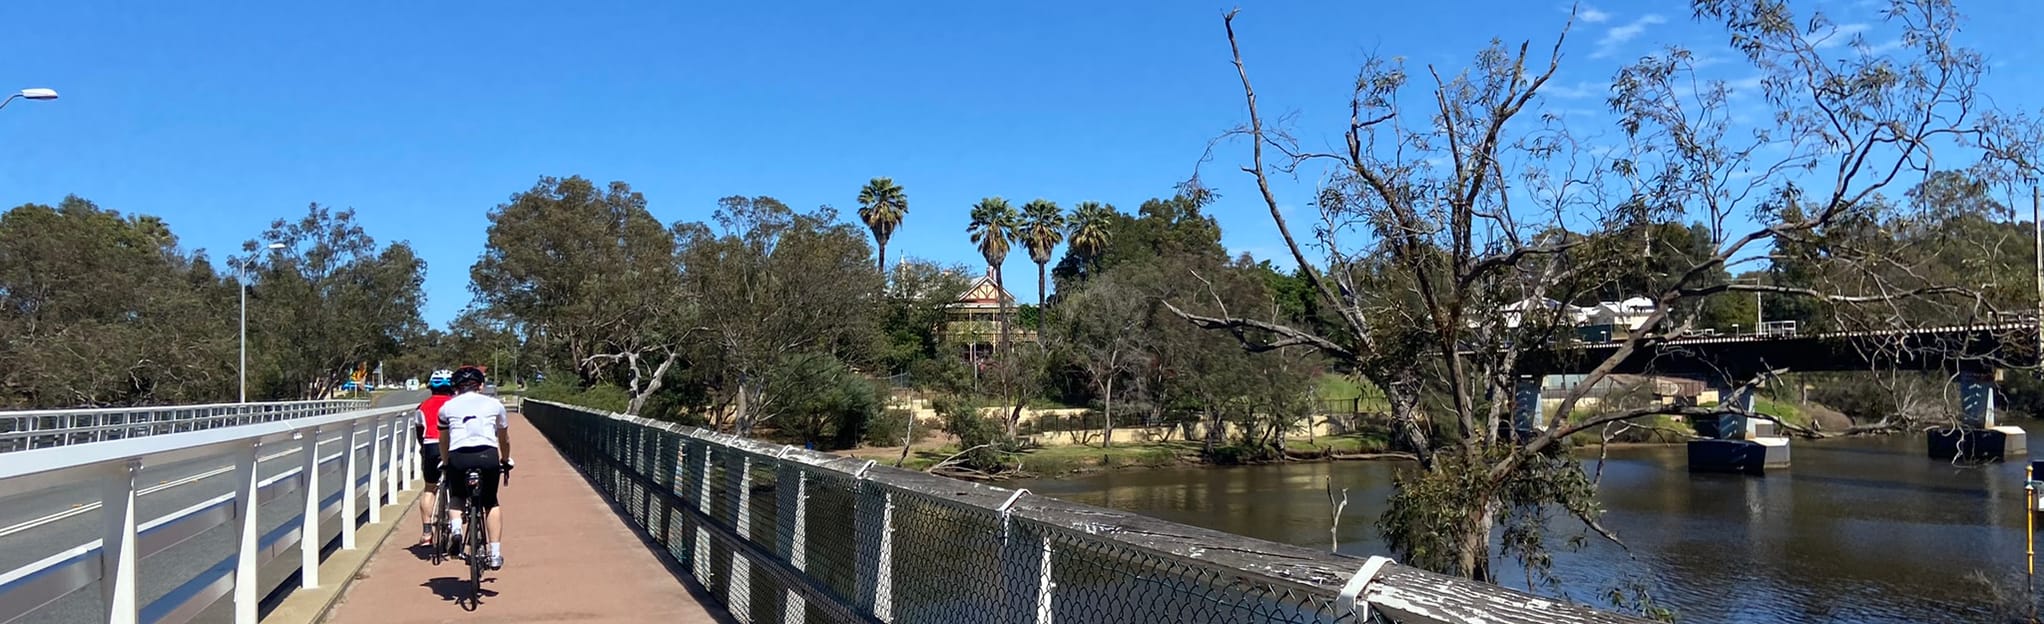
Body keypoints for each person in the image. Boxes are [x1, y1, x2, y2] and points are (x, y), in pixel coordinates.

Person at [436, 366, 513, 569]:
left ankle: (456, 531)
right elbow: (504, 439)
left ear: (456, 387)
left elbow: (443, 441)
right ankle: (495, 554)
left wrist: (446, 463)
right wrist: (505, 460)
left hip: (459, 457)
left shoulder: (446, 408)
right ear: (480, 385)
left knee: (458, 496)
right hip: (487, 455)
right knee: (490, 502)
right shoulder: (495, 405)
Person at [413, 369, 456, 547]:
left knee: (430, 488)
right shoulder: (456, 404)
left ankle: (427, 532)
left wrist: (424, 450)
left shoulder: (422, 406)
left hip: (431, 446)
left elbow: (419, 432)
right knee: (457, 489)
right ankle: (456, 527)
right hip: (453, 447)